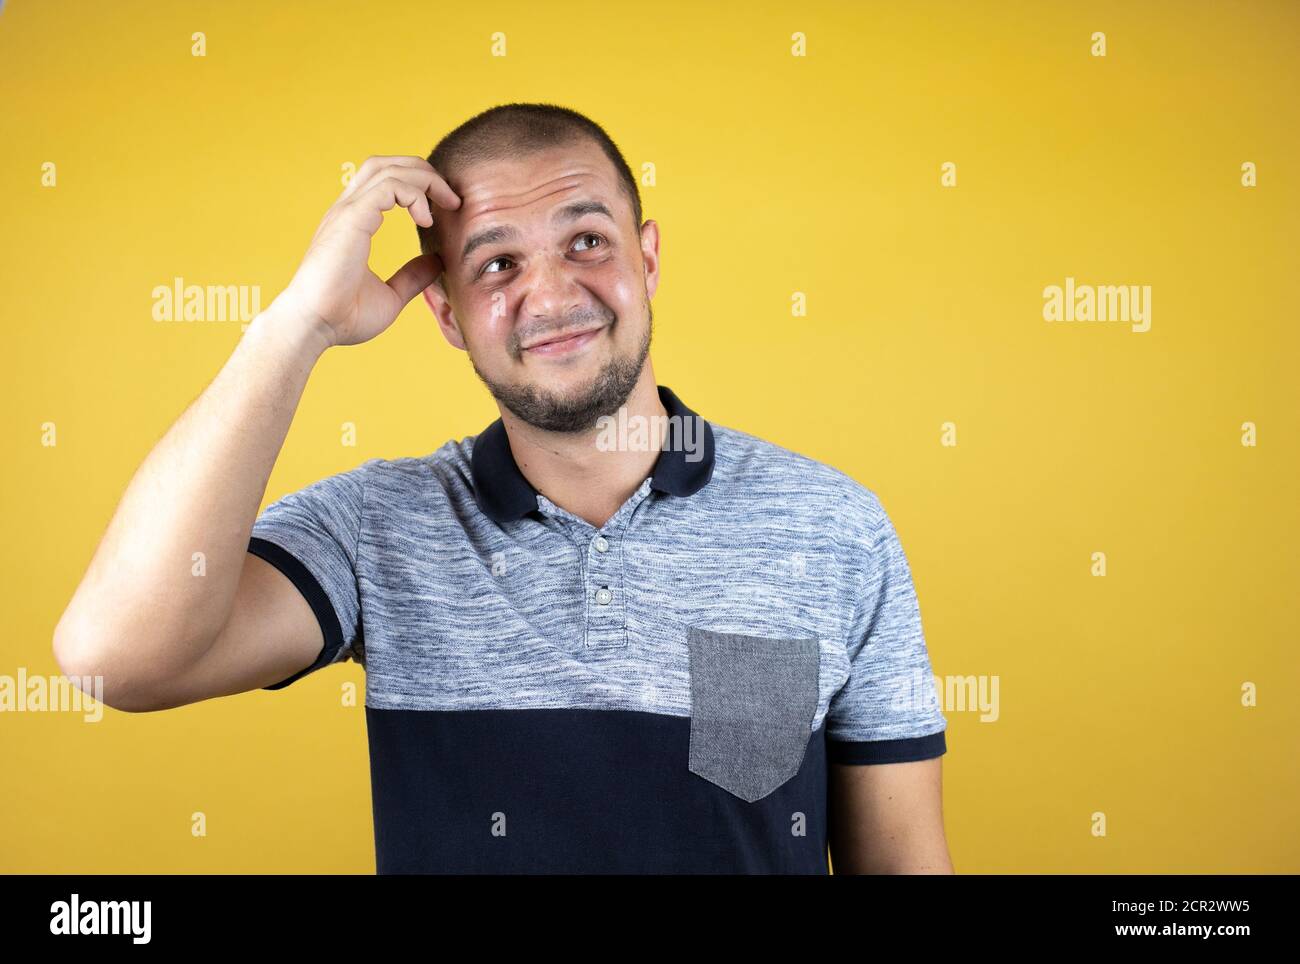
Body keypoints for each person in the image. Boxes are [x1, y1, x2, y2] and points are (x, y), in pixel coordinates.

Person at [53, 102, 953, 874]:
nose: (553, 293)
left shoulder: (830, 525)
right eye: (497, 264)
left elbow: (906, 863)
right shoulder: (380, 527)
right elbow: (116, 657)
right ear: (445, 312)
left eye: (587, 241)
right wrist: (299, 324)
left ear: (648, 261)